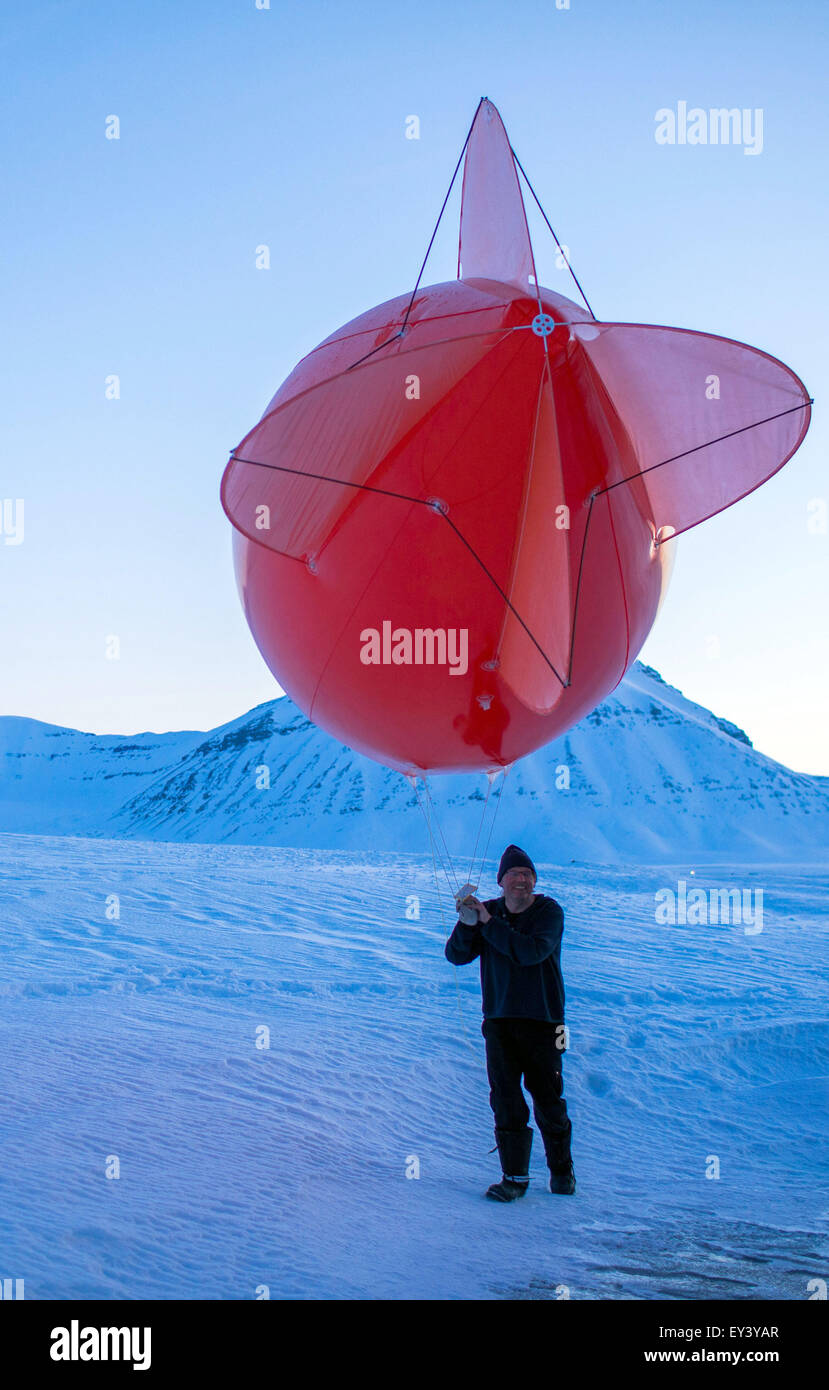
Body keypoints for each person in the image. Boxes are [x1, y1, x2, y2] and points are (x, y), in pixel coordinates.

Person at [445, 844, 575, 1201]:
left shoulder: (549, 912)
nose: (521, 881)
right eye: (514, 875)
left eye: (527, 875)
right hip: (499, 1021)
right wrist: (466, 923)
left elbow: (530, 952)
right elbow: (455, 955)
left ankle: (562, 1172)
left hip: (547, 1022)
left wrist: (487, 923)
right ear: (500, 881)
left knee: (549, 1098)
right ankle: (514, 1178)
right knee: (505, 1099)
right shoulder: (489, 912)